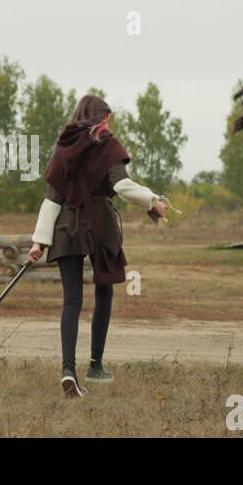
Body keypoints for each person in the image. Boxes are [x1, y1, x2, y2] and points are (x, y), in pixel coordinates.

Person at [28, 95, 166, 398]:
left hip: (66, 227)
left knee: (71, 301)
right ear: (100, 117)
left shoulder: (64, 146)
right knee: (104, 289)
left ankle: (68, 370)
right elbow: (121, 186)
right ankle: (95, 365)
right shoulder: (107, 144)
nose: (109, 123)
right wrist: (153, 200)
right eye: (107, 116)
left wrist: (40, 240)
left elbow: (52, 198)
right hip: (99, 225)